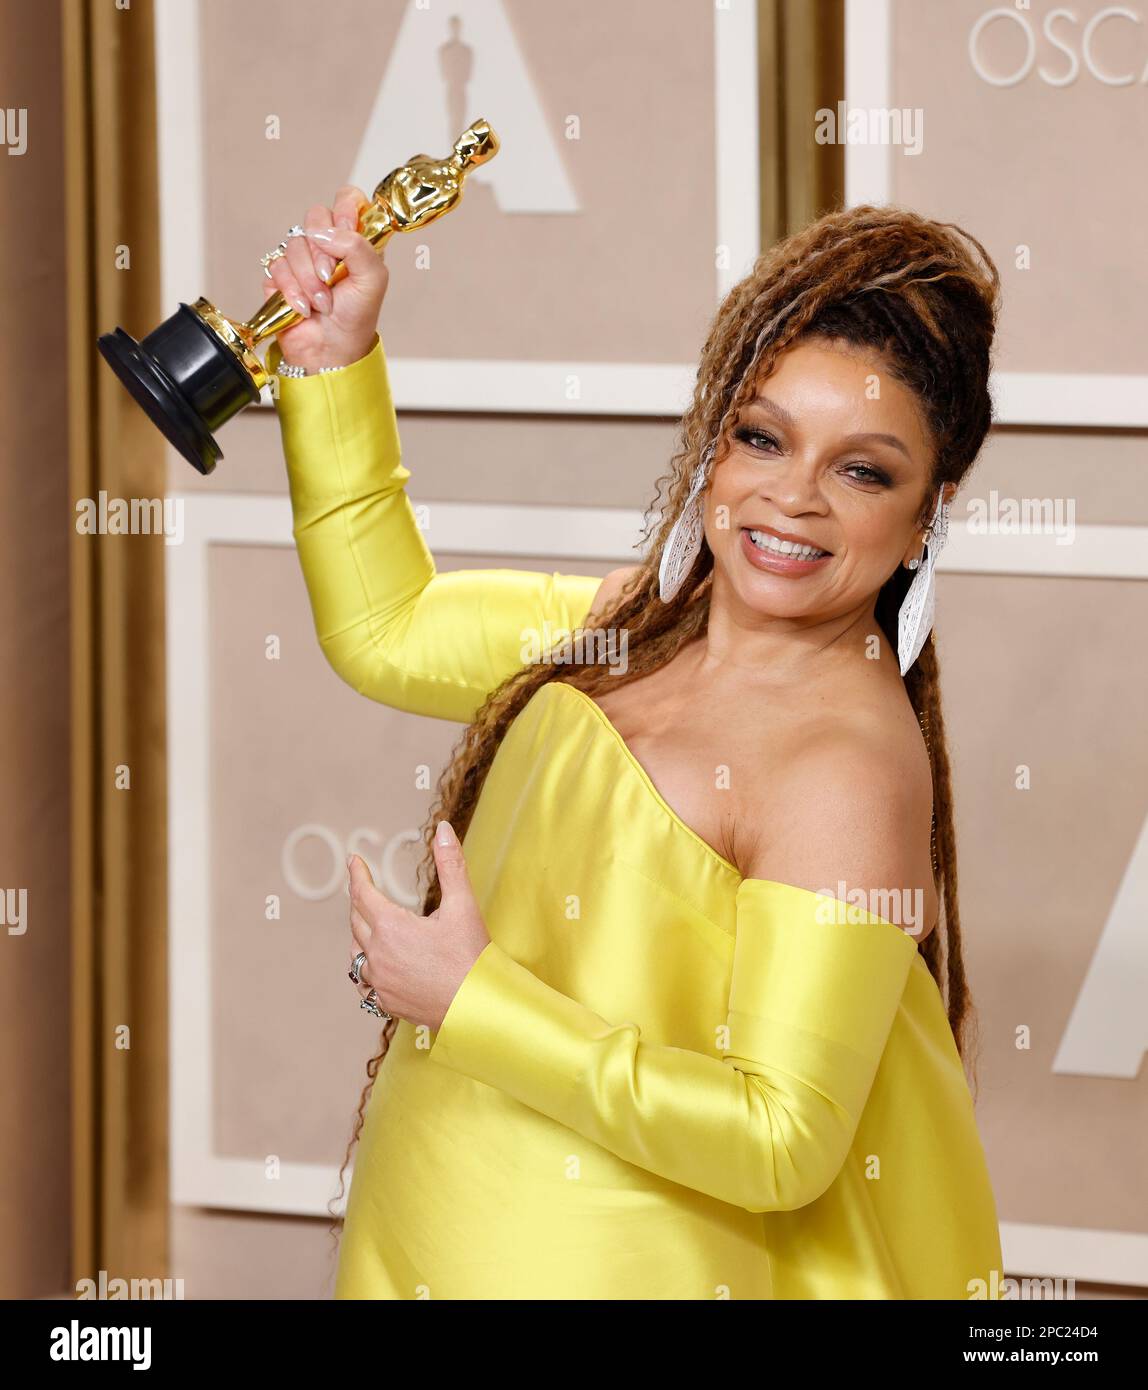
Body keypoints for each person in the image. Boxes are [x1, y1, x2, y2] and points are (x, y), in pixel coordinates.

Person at [262, 188, 1004, 1299]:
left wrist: (474, 1003)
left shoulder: (841, 767)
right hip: (435, 1231)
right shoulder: (631, 625)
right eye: (759, 436)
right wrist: (333, 365)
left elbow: (779, 1138)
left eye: (861, 469)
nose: (788, 497)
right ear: (712, 442)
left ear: (926, 511)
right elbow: (387, 629)